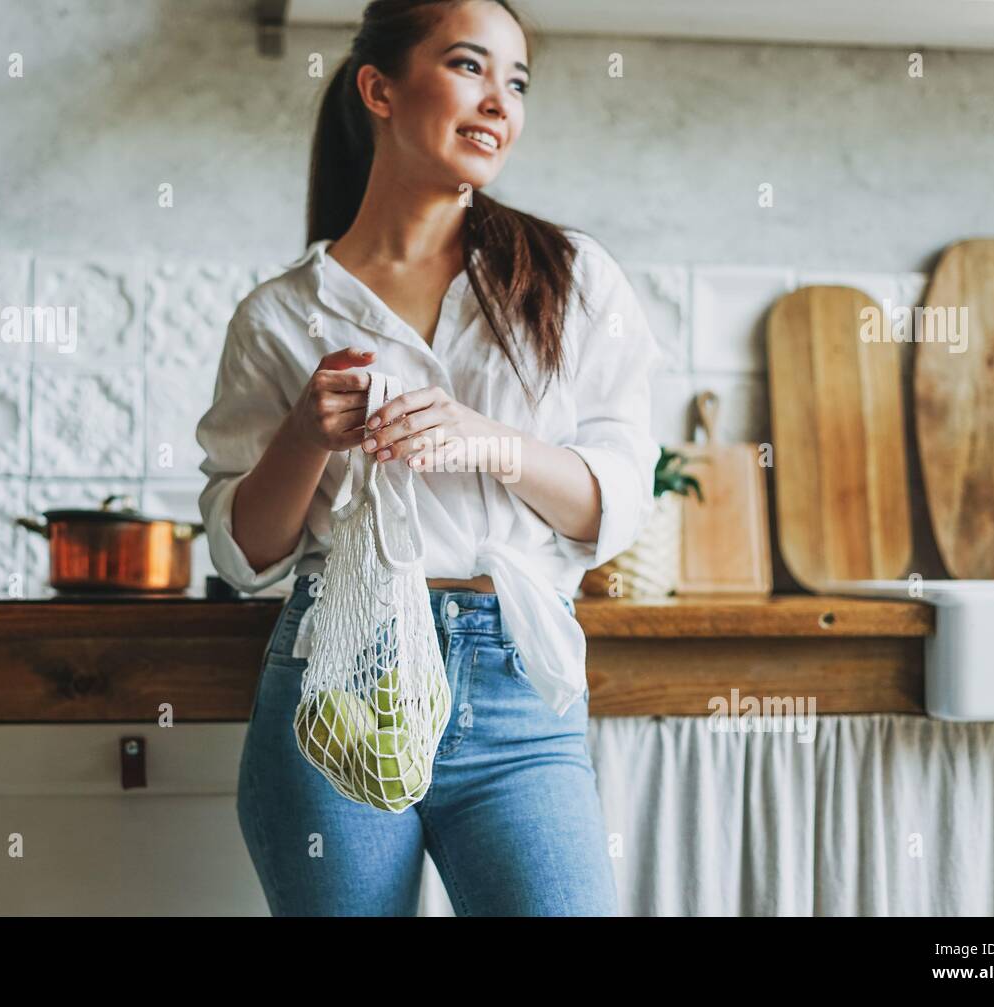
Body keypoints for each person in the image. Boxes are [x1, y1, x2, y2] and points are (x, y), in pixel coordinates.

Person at [196, 0, 662, 916]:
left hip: (518, 696)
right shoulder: (281, 315)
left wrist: (490, 441)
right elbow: (244, 553)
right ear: (379, 89)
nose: (499, 102)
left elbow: (615, 504)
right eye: (469, 66)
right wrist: (303, 435)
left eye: (516, 81)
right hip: (337, 680)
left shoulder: (571, 277)